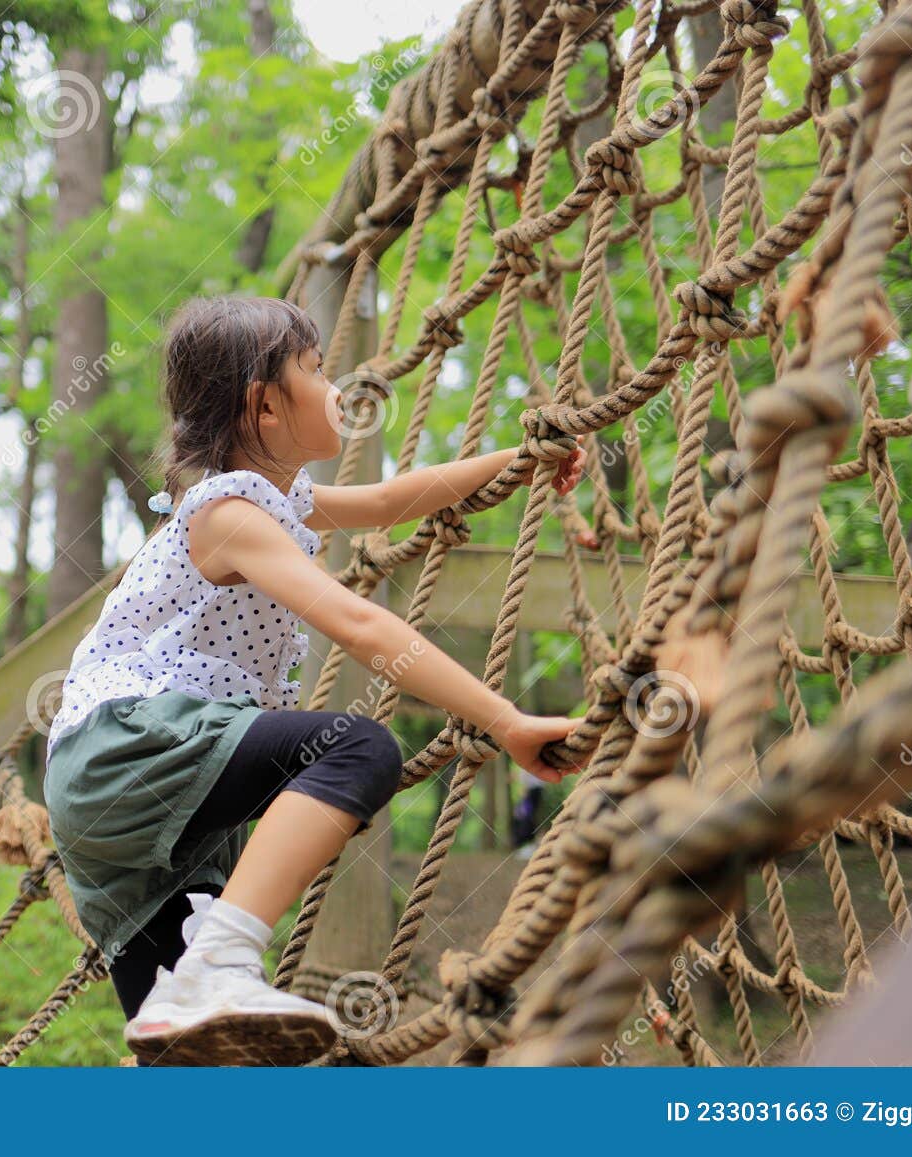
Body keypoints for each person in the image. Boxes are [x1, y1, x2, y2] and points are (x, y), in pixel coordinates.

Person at [43, 295, 589, 1065]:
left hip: (128, 810)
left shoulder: (275, 503)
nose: (339, 387)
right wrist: (505, 720)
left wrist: (518, 461)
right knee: (358, 749)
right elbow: (362, 627)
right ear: (265, 408)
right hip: (128, 748)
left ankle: (203, 978)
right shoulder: (229, 515)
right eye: (316, 368)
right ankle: (220, 958)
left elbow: (392, 501)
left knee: (199, 1059)